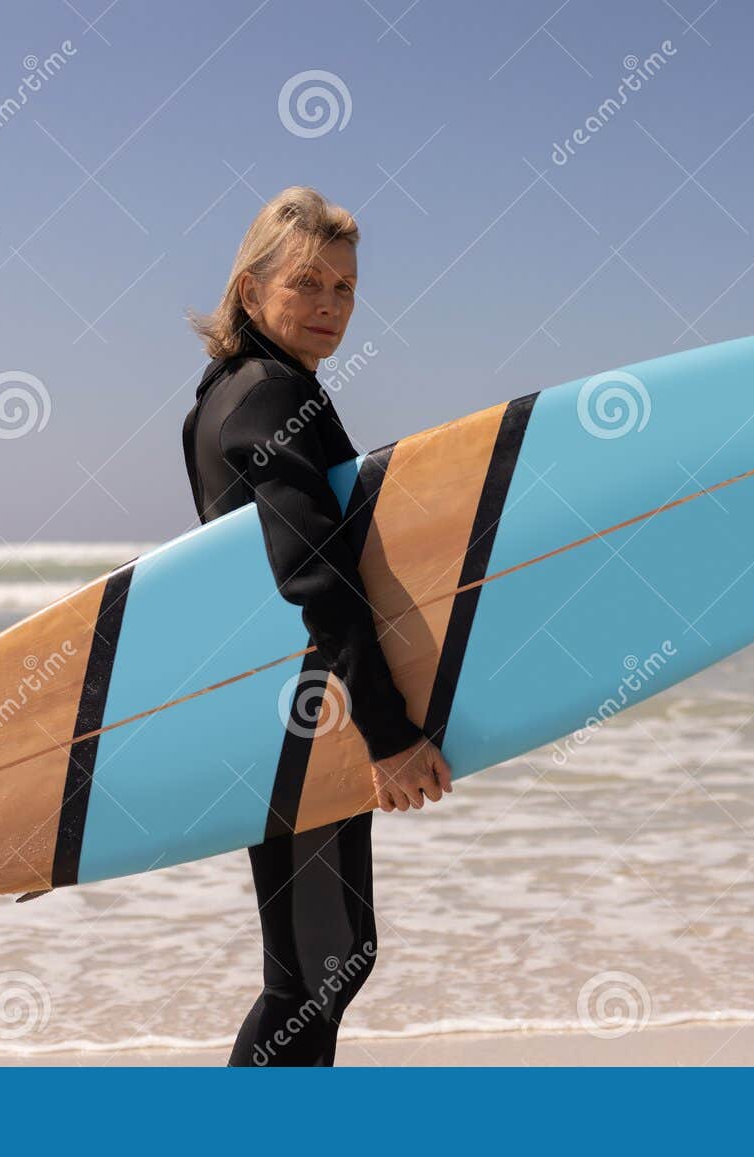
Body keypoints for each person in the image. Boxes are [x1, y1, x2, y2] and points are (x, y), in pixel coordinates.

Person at [181, 186, 454, 1066]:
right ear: (251, 289)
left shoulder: (226, 394)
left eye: (345, 287)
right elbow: (316, 578)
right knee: (317, 972)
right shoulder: (267, 396)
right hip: (302, 714)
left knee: (317, 967)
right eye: (308, 283)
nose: (331, 305)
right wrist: (387, 734)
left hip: (282, 710)